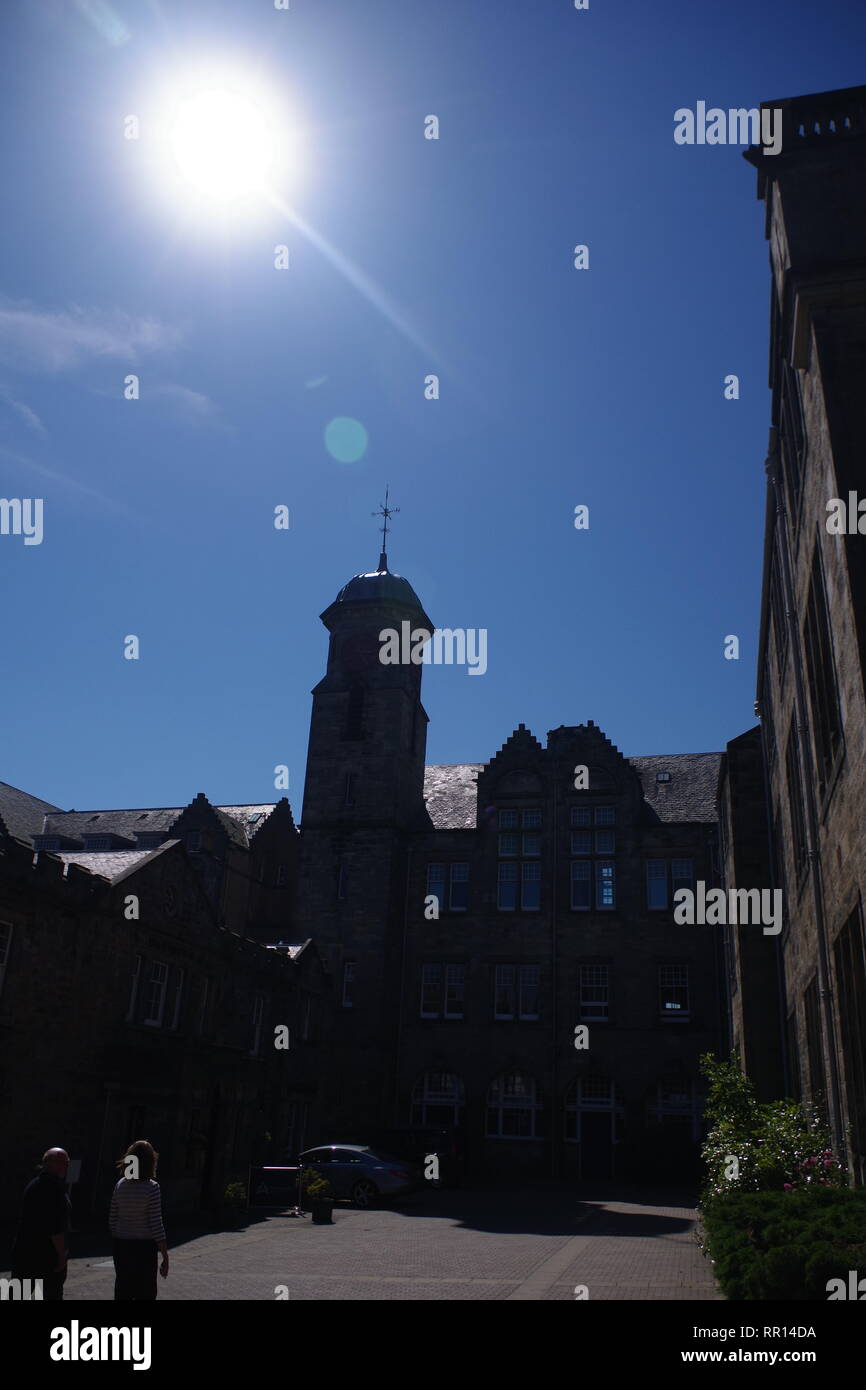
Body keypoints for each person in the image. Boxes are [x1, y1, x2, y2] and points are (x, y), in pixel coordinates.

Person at [109, 1139, 169, 1300]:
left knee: (123, 1288)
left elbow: (113, 1217)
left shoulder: (120, 1184)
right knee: (145, 1291)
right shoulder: (152, 1187)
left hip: (122, 1244)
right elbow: (156, 1222)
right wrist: (165, 1255)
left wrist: (119, 1234)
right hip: (144, 1247)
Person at [10, 1147, 71, 1301]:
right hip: (46, 1256)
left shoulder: (34, 1184)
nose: (66, 1166)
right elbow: (55, 1227)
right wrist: (61, 1255)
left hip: (24, 1252)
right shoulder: (54, 1188)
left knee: (17, 1295)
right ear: (53, 1164)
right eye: (64, 1163)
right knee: (52, 1295)